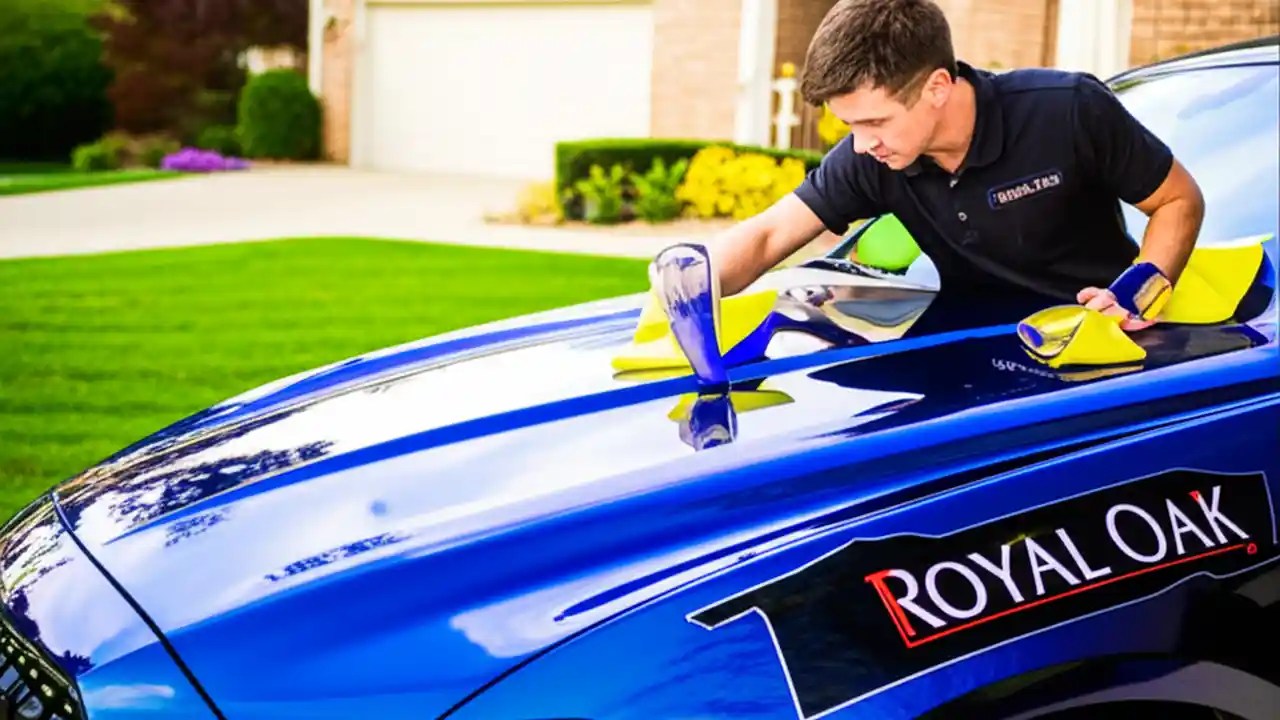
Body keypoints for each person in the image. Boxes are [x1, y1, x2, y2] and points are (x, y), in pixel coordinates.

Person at [708, 0, 1205, 332]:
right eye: (849, 126)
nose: (861, 145)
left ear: (937, 88)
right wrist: (689, 283)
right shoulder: (877, 156)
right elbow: (769, 235)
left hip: (1100, 354)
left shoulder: (1068, 110)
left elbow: (1178, 199)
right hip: (968, 358)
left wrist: (1138, 293)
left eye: (875, 121)